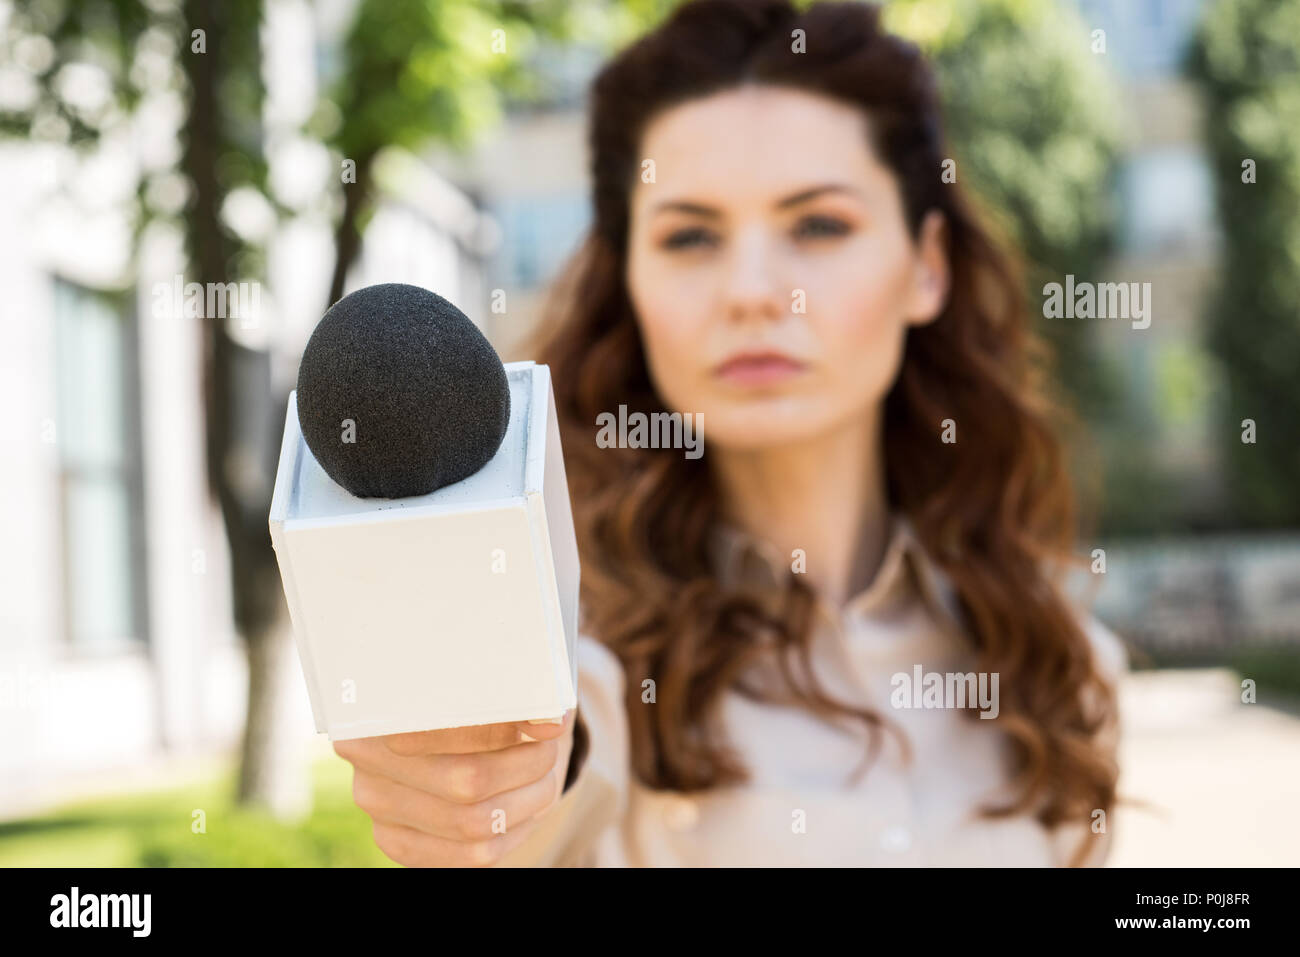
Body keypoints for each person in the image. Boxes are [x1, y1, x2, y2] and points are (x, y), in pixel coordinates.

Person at [331, 0, 1127, 867]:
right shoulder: (582, 655)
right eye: (690, 235)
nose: (753, 291)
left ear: (926, 267)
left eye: (819, 224)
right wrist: (502, 778)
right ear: (630, 281)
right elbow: (556, 771)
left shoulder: (1061, 664)